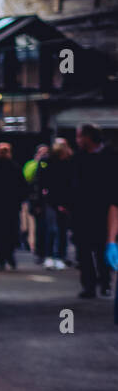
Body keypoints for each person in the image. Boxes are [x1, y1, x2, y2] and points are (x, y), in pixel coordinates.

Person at [65, 124, 118, 299]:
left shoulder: (110, 156)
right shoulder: (77, 158)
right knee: (84, 251)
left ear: (89, 137)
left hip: (104, 211)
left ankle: (105, 282)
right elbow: (71, 184)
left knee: (103, 247)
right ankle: (89, 285)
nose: (78, 140)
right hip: (82, 213)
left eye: (80, 136)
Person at [36, 139, 74, 269]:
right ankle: (52, 255)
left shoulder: (66, 163)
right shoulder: (50, 163)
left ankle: (57, 256)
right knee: (54, 229)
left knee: (59, 229)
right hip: (53, 200)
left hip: (58, 200)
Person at [0, 142, 26, 271]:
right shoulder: (14, 167)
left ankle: (3, 258)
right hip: (9, 205)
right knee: (8, 232)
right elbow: (22, 187)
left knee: (2, 232)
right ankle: (7, 257)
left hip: (0, 205)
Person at [25, 144, 53, 265]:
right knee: (39, 227)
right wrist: (37, 163)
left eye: (46, 152)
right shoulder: (32, 164)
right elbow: (27, 176)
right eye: (42, 152)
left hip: (50, 201)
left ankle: (49, 252)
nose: (44, 155)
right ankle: (40, 252)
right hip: (37, 201)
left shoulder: (51, 163)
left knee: (51, 228)